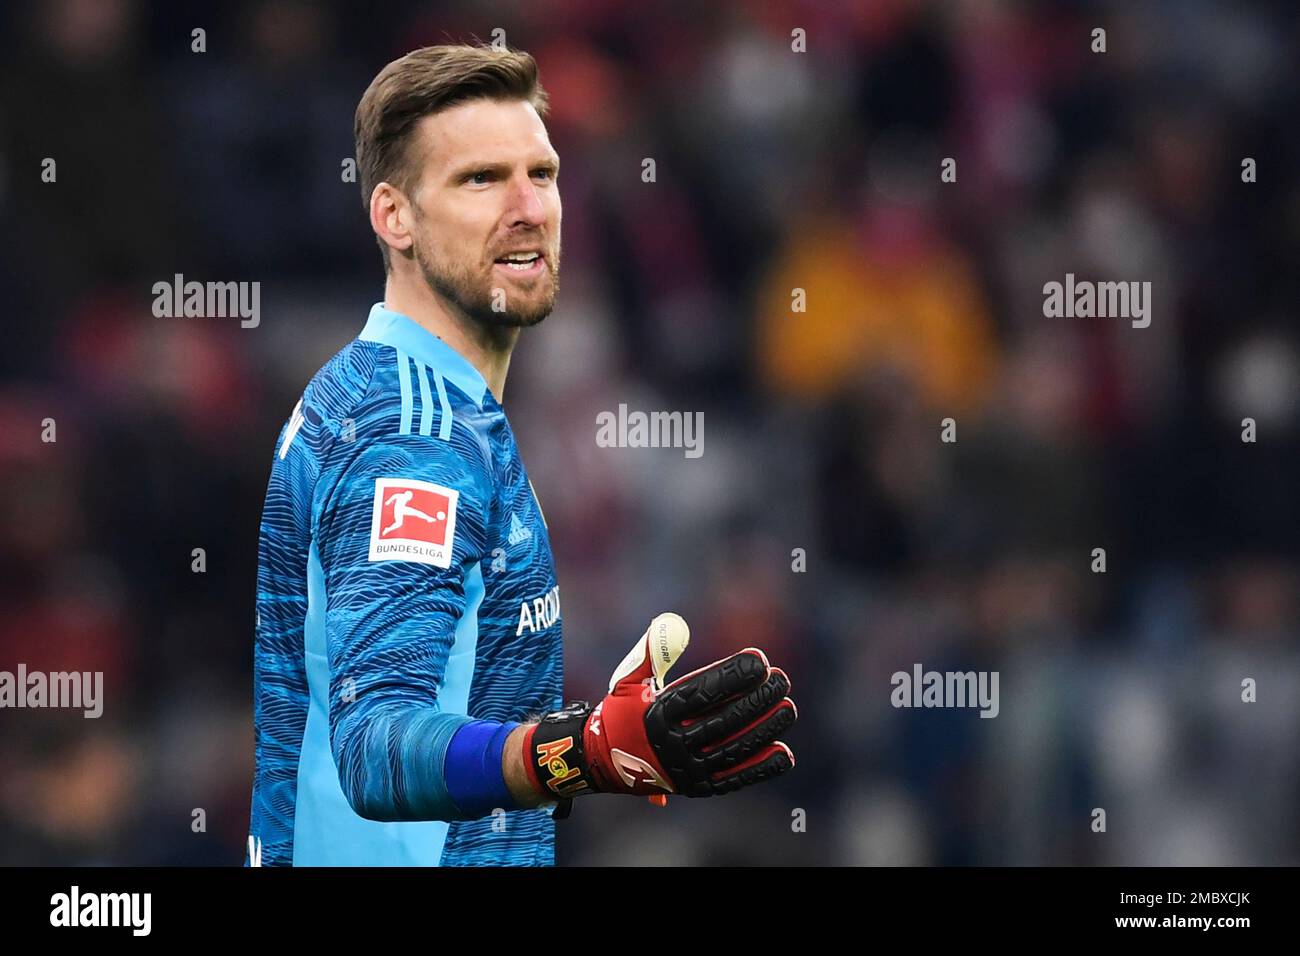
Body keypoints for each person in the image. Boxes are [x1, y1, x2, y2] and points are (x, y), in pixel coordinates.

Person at [245, 43, 796, 867]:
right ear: (394, 216)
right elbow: (378, 744)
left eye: (541, 174)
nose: (529, 208)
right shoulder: (413, 434)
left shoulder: (414, 394)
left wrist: (583, 736)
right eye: (480, 180)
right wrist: (579, 750)